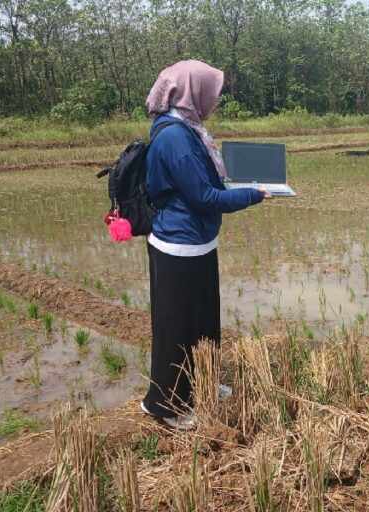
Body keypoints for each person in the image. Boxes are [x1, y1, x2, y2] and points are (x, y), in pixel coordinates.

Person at [140, 60, 271, 430]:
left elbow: (204, 186)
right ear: (192, 91)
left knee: (203, 324)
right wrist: (254, 194)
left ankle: (205, 385)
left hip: (197, 243)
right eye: (211, 93)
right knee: (176, 331)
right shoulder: (175, 136)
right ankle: (164, 406)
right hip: (177, 247)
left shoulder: (189, 128)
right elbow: (204, 197)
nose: (214, 100)